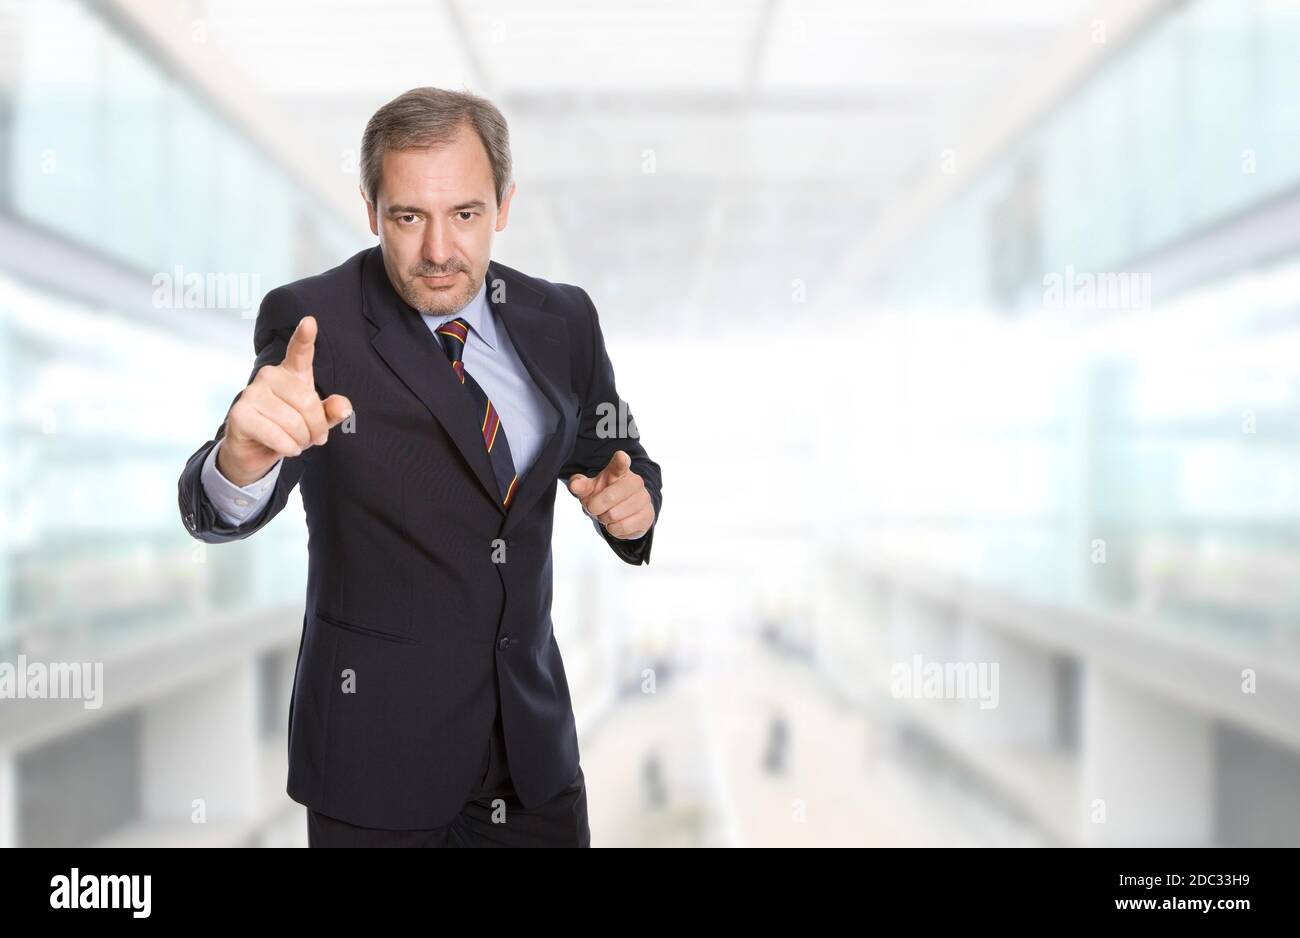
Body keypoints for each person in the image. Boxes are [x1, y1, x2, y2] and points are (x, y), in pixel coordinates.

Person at [177, 86, 663, 847]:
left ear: (503, 204)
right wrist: (239, 461)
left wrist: (634, 507)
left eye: (465, 214)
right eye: (409, 217)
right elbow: (221, 505)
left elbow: (618, 458)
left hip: (533, 762)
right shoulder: (314, 323)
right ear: (372, 211)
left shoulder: (565, 319)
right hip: (376, 764)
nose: (439, 251)